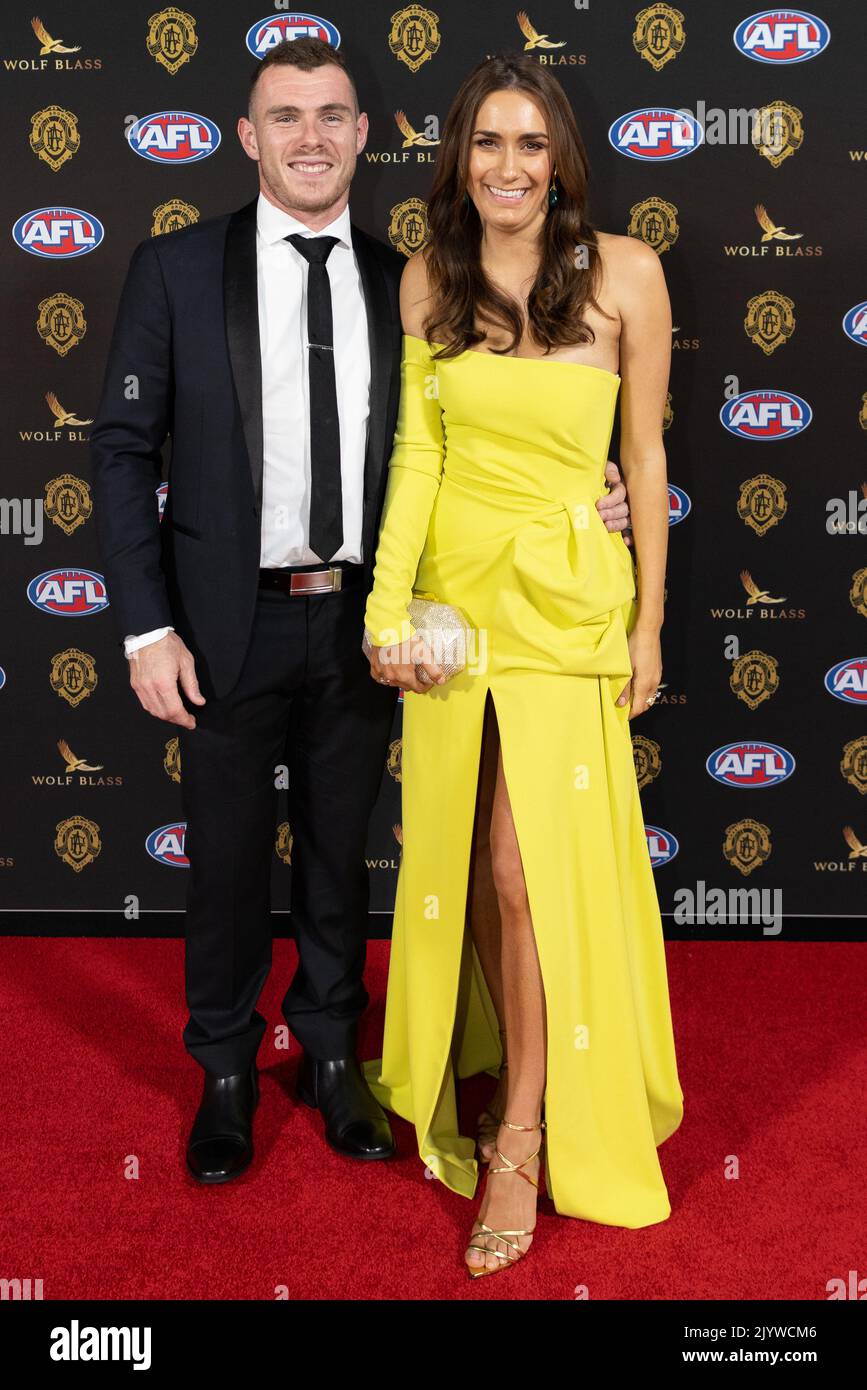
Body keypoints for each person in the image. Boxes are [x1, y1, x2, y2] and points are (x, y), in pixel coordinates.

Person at [89, 38, 634, 1186]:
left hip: (364, 625)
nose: (310, 138)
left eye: (332, 116)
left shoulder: (411, 278)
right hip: (223, 622)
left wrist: (591, 481)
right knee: (228, 867)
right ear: (248, 138)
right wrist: (147, 627)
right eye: (284, 117)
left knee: (342, 859)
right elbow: (124, 451)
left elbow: (468, 437)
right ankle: (228, 1072)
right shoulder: (177, 269)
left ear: (362, 136)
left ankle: (337, 1060)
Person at [362, 54, 683, 1277]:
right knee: (464, 858)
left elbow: (643, 460)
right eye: (487, 143)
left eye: (530, 144)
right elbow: (416, 457)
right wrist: (389, 606)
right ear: (460, 160)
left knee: (518, 862)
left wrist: (650, 622)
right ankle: (511, 1062)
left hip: (564, 605)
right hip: (453, 612)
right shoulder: (428, 279)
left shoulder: (627, 276)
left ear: (561, 161)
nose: (508, 165)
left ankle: (526, 1131)